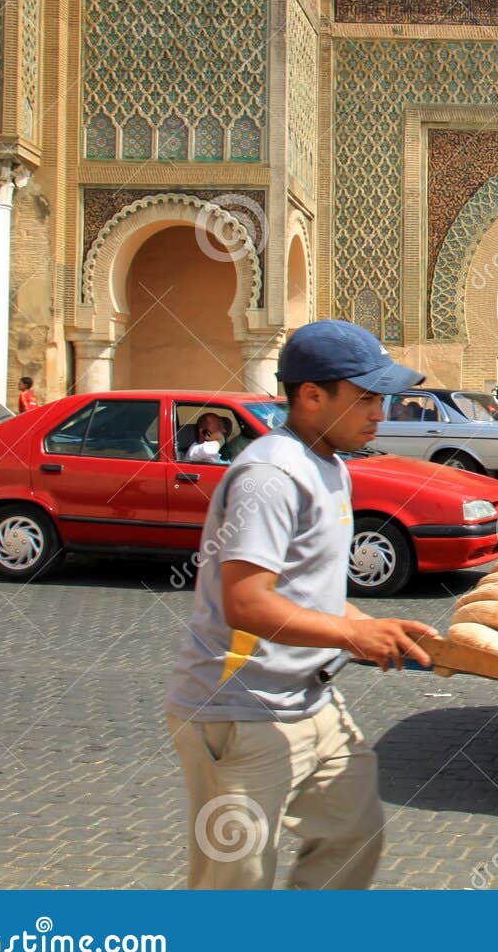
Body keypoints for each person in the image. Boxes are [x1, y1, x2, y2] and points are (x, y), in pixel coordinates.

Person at [164, 319, 439, 890]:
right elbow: (246, 604)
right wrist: (353, 637)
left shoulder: (330, 465)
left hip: (311, 702)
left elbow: (314, 594)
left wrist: (377, 626)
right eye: (366, 398)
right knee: (233, 884)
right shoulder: (270, 474)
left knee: (353, 832)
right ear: (312, 396)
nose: (379, 413)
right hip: (240, 711)